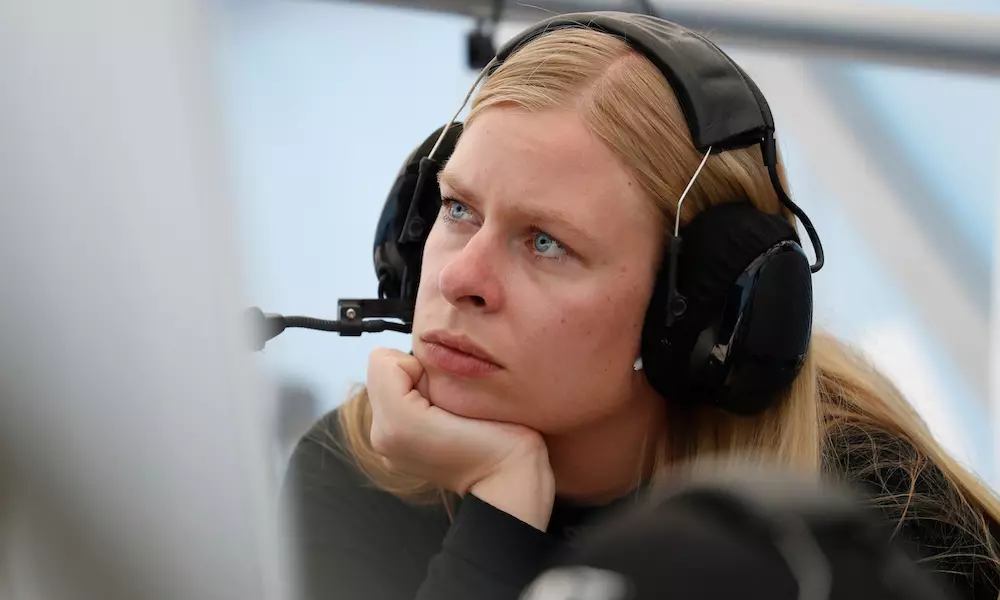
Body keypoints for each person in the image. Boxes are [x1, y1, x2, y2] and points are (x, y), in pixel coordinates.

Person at [281, 11, 1000, 600]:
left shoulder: (873, 522)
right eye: (459, 209)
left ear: (691, 314)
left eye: (545, 242)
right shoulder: (357, 472)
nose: (458, 278)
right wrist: (503, 506)